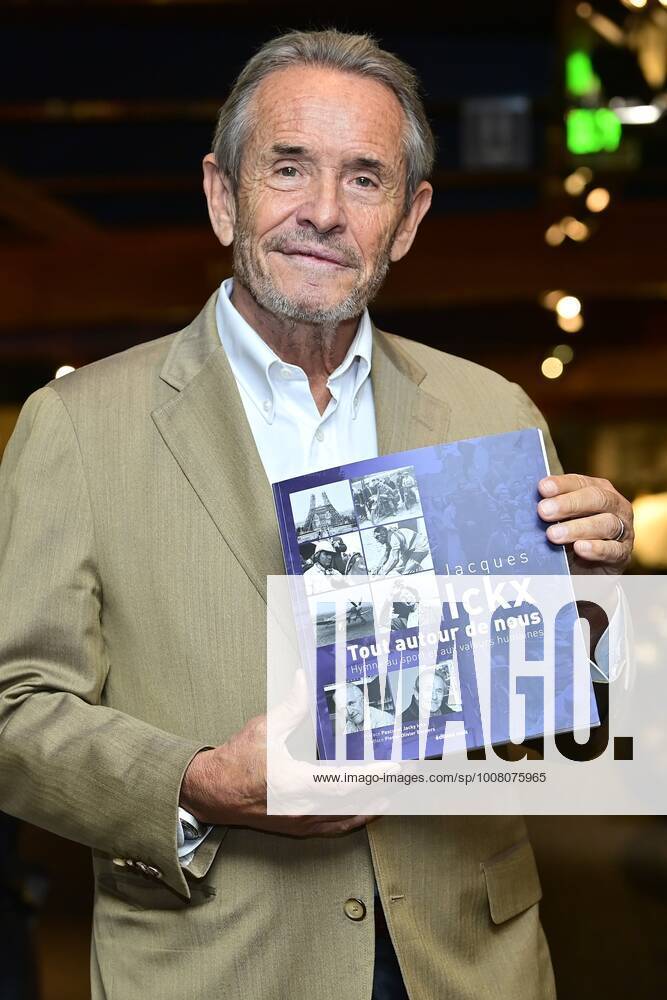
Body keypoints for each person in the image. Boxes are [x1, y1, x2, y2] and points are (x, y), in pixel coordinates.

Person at [0, 29, 634, 1000]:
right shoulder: (77, 427)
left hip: (470, 962)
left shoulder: (491, 412)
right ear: (223, 194)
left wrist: (594, 610)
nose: (324, 214)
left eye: (366, 179)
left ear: (410, 218)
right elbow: (17, 710)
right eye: (289, 168)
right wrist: (195, 781)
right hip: (219, 962)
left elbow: (571, 710)